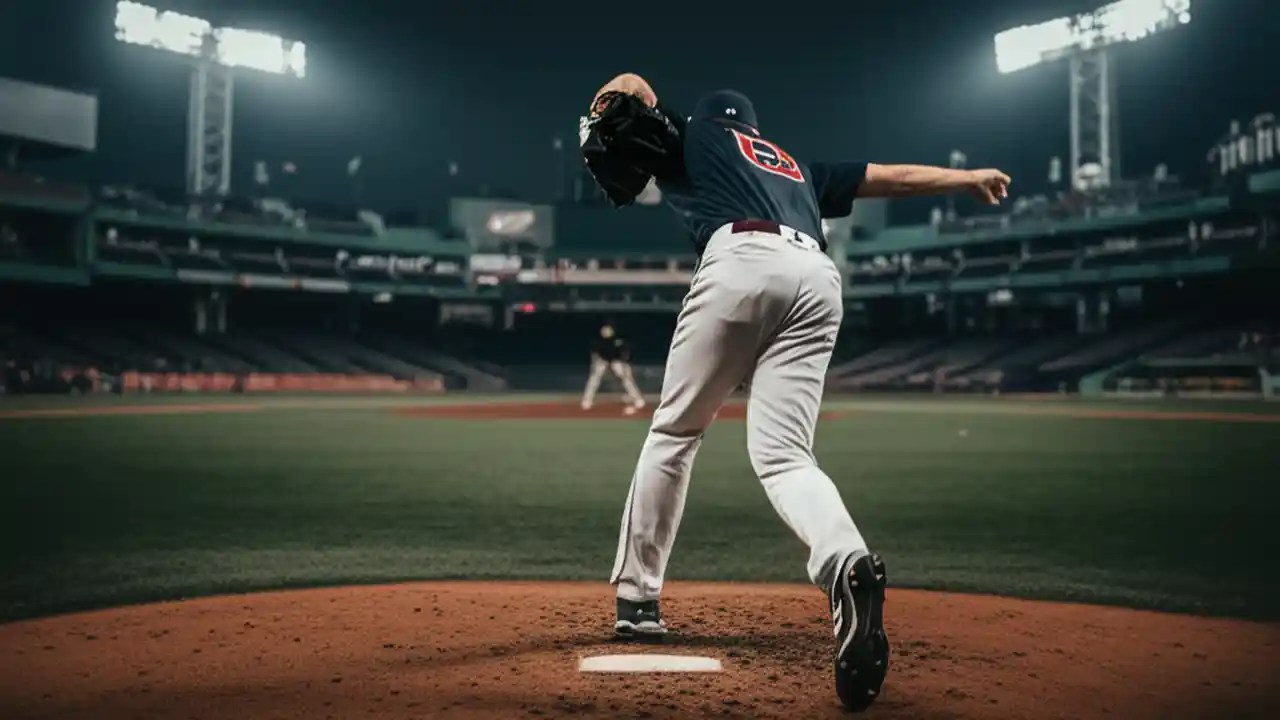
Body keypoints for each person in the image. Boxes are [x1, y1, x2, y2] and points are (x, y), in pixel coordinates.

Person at [590, 73, 1010, 711]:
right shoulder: (796, 169)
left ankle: (638, 599)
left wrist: (600, 108)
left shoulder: (698, 133)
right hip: (817, 275)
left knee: (675, 434)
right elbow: (887, 175)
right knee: (786, 456)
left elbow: (634, 87)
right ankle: (846, 562)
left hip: (739, 257)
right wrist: (965, 177)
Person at [581, 323, 646, 413]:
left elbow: (624, 352)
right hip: (603, 360)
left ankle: (638, 399)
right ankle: (587, 400)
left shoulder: (618, 340)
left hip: (616, 360)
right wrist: (596, 364)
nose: (606, 333)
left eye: (608, 332)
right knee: (594, 379)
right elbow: (595, 354)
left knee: (626, 379)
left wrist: (623, 363)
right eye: (604, 332)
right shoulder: (598, 341)